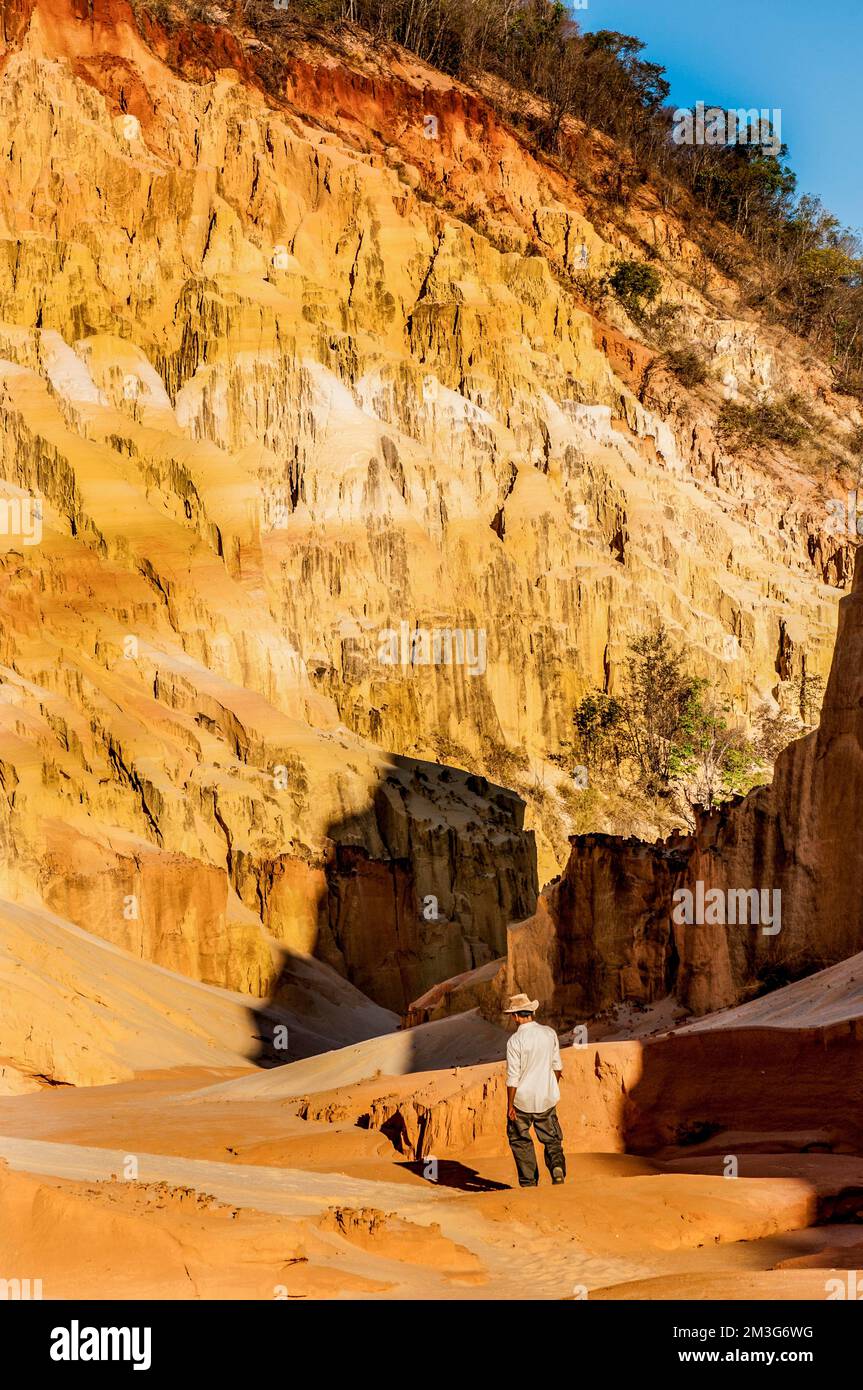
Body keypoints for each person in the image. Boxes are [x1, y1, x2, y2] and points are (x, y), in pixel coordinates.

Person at [503, 993, 566, 1188]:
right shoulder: (549, 1033)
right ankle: (556, 1168)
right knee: (552, 1138)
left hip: (522, 1100)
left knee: (520, 1140)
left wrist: (510, 1105)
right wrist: (550, 1086)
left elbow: (513, 1077)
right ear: (531, 1012)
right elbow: (557, 1066)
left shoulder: (514, 1041)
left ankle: (529, 1182)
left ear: (515, 1016)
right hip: (546, 1098)